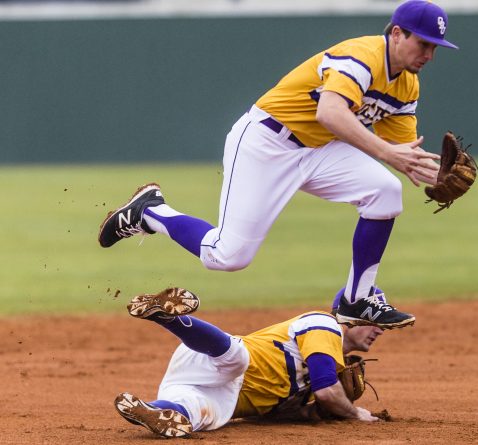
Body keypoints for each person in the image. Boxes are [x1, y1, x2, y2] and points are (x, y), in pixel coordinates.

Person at [97, 0, 459, 330]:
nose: (429, 54)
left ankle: (357, 300)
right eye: (423, 43)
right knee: (227, 256)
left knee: (385, 192)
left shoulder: (407, 86)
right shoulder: (362, 57)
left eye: (435, 48)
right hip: (267, 142)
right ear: (396, 33)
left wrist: (438, 174)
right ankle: (150, 211)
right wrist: (388, 154)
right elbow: (330, 113)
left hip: (318, 150)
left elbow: (401, 151)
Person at [114, 287, 385, 438]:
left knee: (198, 414)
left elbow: (278, 413)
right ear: (352, 316)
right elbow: (327, 391)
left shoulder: (330, 365)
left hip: (221, 394)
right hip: (211, 357)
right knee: (237, 359)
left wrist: (310, 413)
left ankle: (150, 409)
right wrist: (353, 412)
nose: (380, 329)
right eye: (374, 320)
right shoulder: (324, 324)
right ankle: (168, 317)